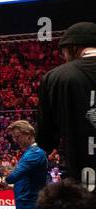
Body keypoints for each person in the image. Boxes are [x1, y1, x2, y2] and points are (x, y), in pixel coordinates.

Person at [37, 21, 96, 192]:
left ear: (72, 48)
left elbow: (46, 139)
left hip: (83, 183)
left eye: (63, 53)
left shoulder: (55, 77)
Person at [5, 119, 50, 209]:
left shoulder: (34, 154)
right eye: (14, 137)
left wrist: (5, 180)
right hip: (25, 206)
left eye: (18, 136)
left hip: (30, 207)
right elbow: (24, 181)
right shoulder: (29, 154)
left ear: (28, 134)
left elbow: (13, 176)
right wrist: (8, 187)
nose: (15, 140)